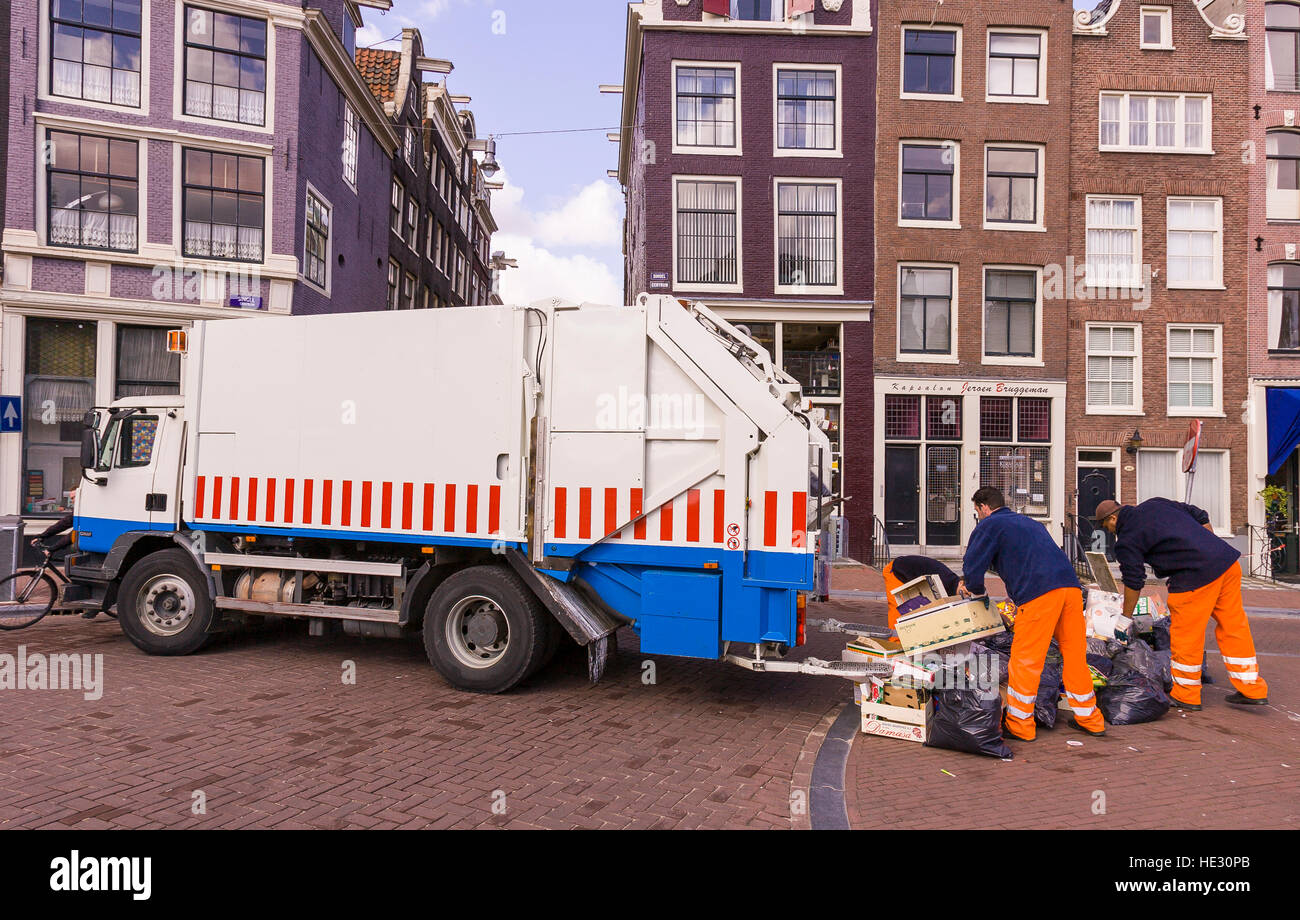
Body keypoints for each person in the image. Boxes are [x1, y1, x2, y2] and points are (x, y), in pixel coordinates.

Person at [960, 486, 1107, 740]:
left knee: (1026, 658)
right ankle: (1090, 719)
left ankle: (1019, 724)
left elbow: (974, 565)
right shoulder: (1031, 523)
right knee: (1074, 655)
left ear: (984, 507)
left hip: (1039, 595)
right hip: (1070, 590)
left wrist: (974, 590)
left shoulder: (989, 525)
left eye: (977, 512)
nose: (978, 517)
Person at [1095, 498, 1268, 710]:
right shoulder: (1156, 504)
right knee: (1233, 625)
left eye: (1107, 526)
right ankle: (1252, 688)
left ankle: (1186, 694)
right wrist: (1207, 548)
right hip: (1227, 563)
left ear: (1113, 518)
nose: (1110, 531)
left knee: (1186, 634)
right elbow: (1200, 514)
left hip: (1194, 576)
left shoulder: (1127, 539)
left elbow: (1133, 581)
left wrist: (1125, 618)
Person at [882, 555, 960, 630]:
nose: (964, 596)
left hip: (913, 575)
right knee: (900, 609)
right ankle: (895, 642)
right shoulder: (946, 581)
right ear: (961, 583)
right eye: (965, 592)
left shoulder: (952, 586)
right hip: (896, 570)